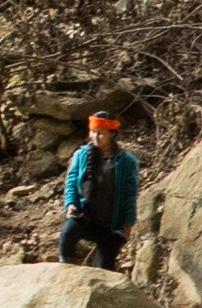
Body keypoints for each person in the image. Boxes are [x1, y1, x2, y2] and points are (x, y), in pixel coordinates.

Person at [56, 114, 144, 270]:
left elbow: (130, 194)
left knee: (104, 269)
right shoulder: (81, 155)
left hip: (110, 224)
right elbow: (70, 183)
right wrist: (70, 204)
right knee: (67, 234)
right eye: (93, 131)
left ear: (112, 134)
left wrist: (128, 222)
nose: (95, 137)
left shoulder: (126, 161)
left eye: (101, 132)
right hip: (84, 216)